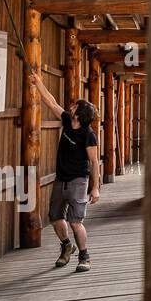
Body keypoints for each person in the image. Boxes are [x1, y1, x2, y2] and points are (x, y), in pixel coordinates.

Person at [30, 73, 100, 273]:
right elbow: (50, 102)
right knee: (54, 217)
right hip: (61, 179)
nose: (71, 106)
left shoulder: (88, 135)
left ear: (79, 114)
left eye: (75, 106)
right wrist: (38, 82)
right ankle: (66, 245)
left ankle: (85, 256)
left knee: (75, 221)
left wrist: (95, 188)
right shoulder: (68, 121)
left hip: (78, 181)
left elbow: (94, 162)